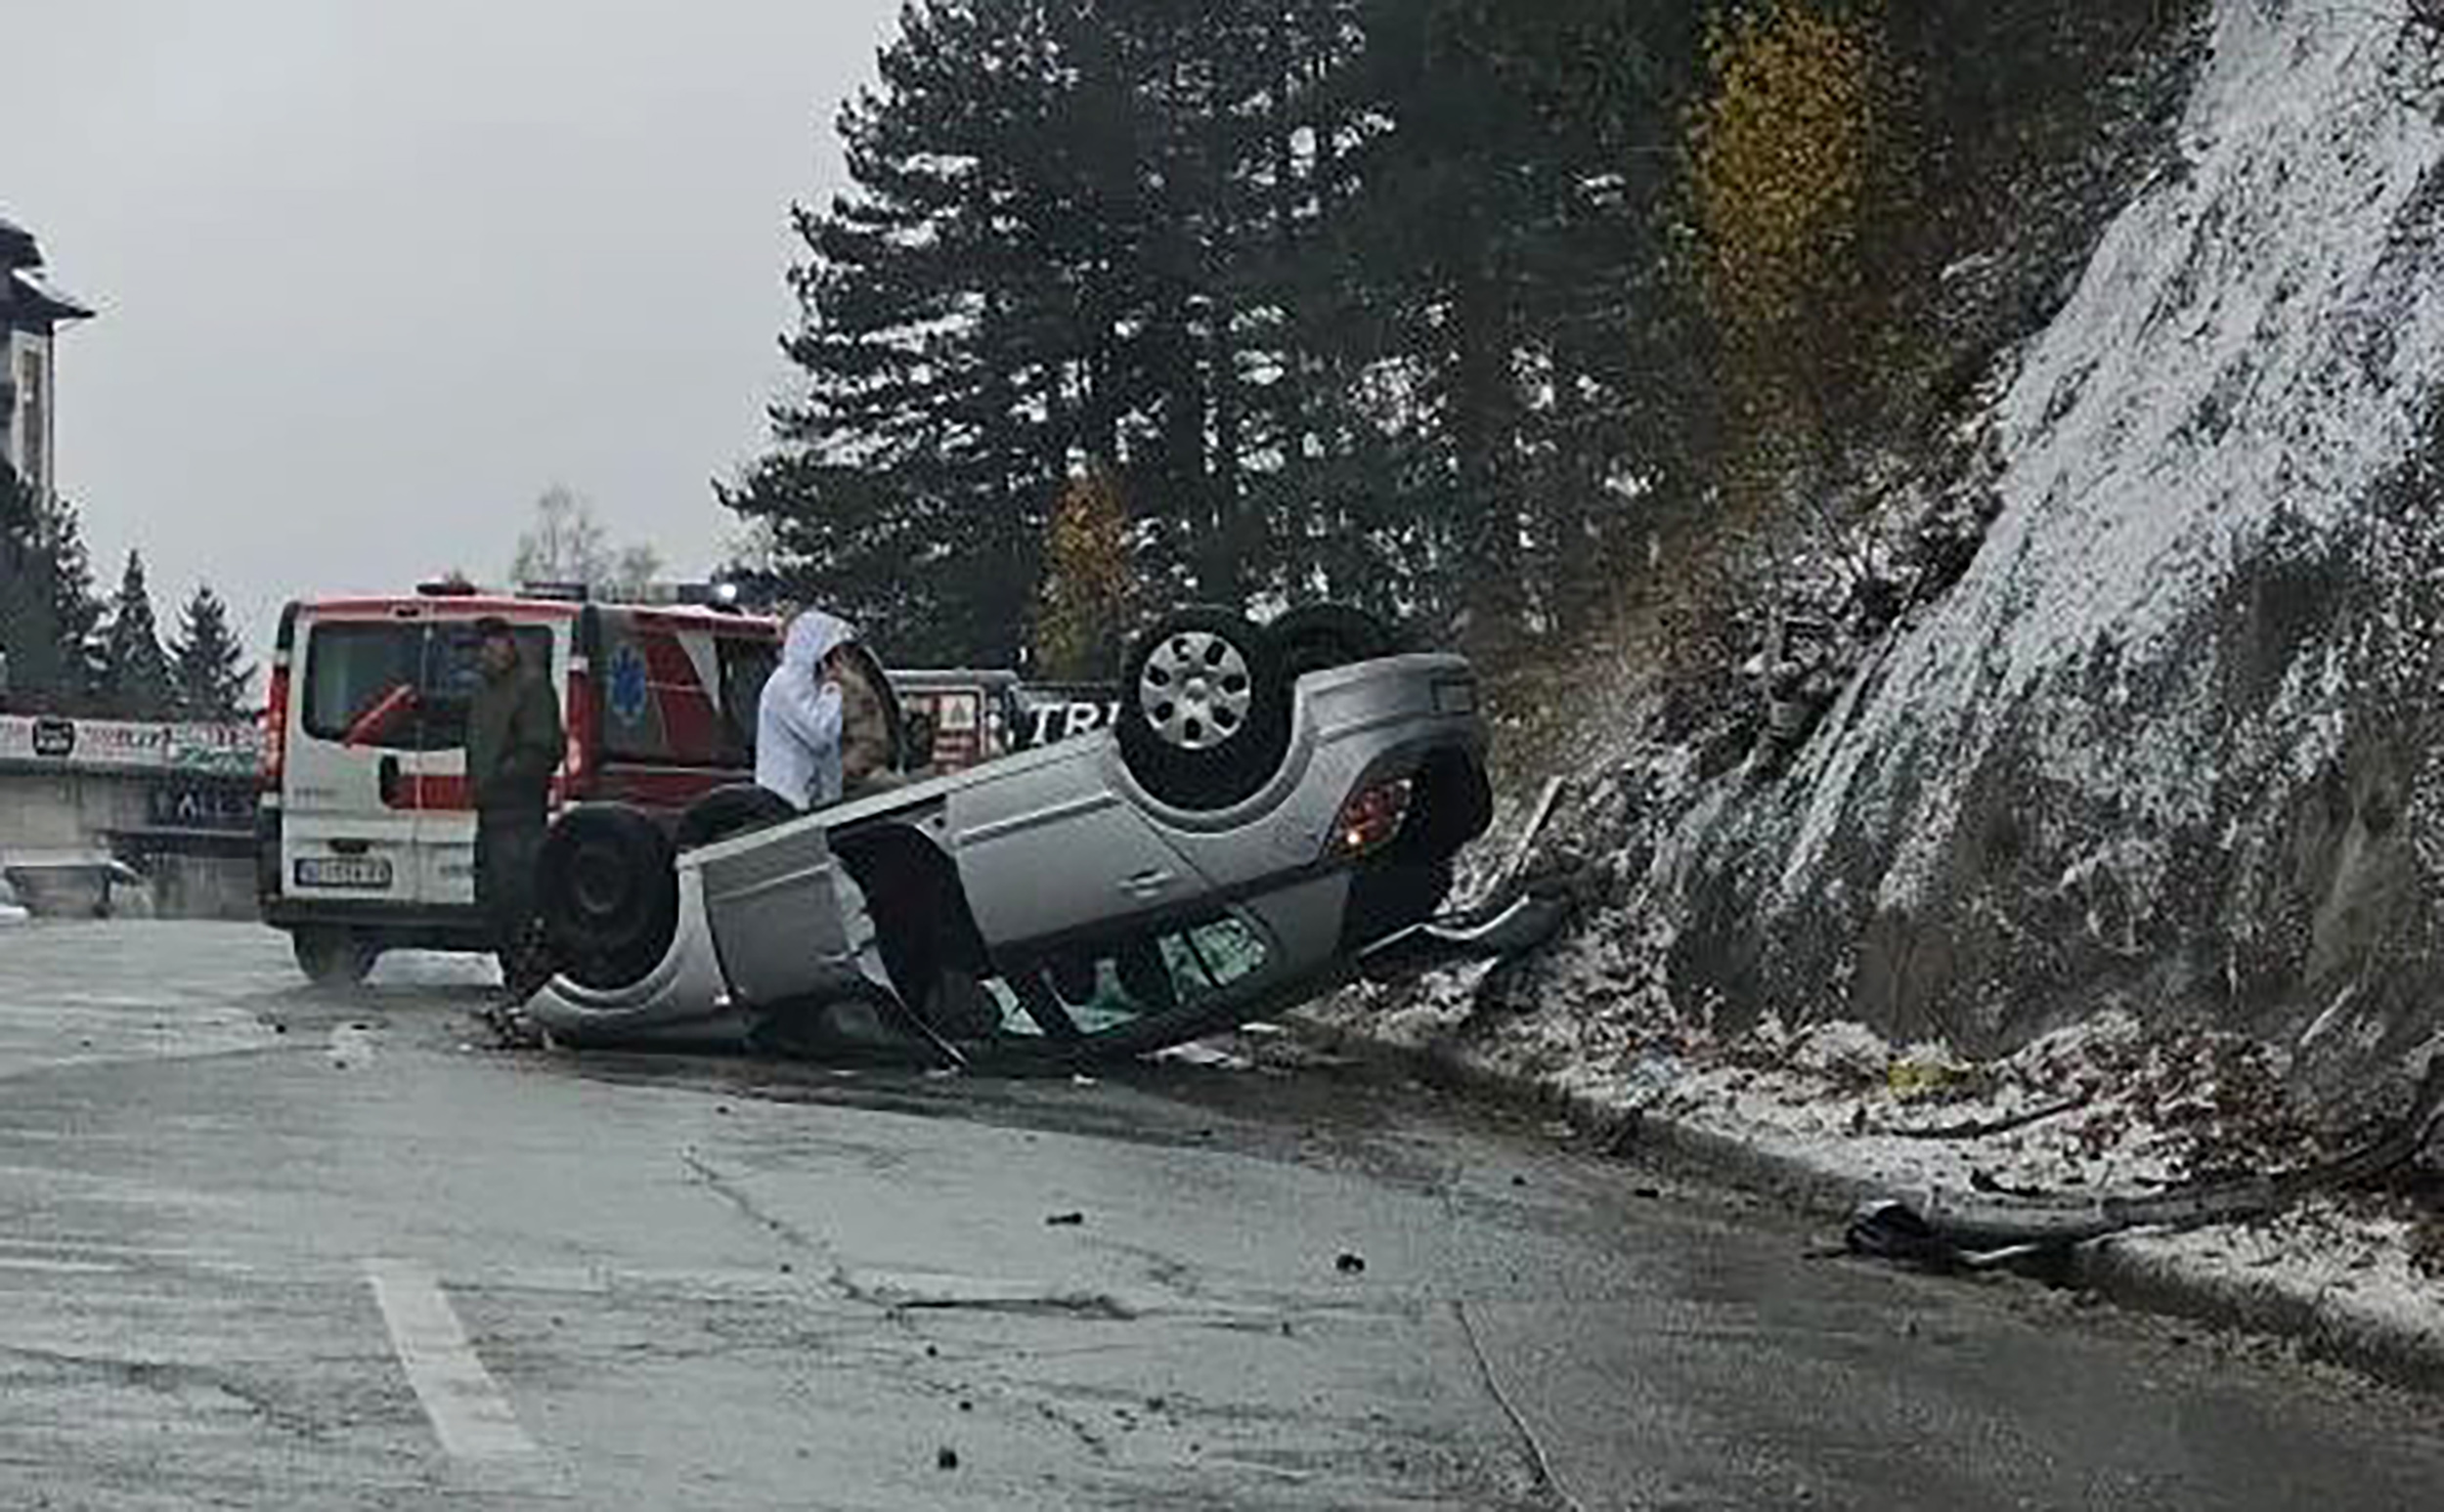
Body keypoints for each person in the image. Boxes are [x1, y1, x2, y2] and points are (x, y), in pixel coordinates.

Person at [465, 616, 564, 1015]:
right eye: (479, 649)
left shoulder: (531, 687)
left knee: (520, 902)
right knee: (493, 903)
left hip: (519, 814)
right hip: (491, 813)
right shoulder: (483, 692)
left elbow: (543, 748)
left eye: (490, 646)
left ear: (507, 645)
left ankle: (528, 988)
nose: (483, 655)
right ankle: (513, 981)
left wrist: (503, 780)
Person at [756, 608, 894, 810]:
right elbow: (819, 734)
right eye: (831, 652)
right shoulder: (784, 684)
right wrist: (834, 691)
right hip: (786, 802)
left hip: (816, 802)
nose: (836, 660)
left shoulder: (811, 685)